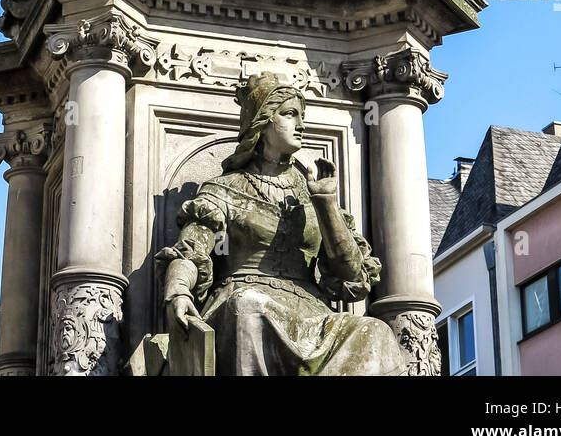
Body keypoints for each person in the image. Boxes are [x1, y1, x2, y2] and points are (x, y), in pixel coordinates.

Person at [156, 73, 403, 376]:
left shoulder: (313, 191)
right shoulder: (222, 189)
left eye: (302, 116)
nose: (301, 125)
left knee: (374, 331)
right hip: (242, 302)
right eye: (289, 114)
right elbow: (191, 251)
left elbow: (353, 278)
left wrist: (325, 203)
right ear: (262, 122)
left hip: (312, 316)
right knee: (248, 307)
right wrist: (178, 291)